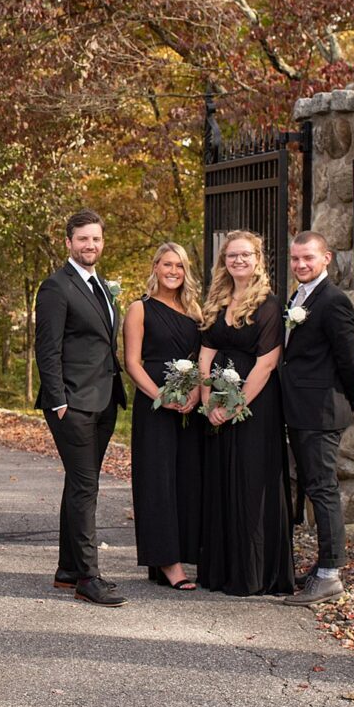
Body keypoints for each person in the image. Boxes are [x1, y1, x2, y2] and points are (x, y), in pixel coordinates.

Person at [33, 209, 128, 607]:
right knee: (86, 485)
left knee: (78, 483)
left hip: (103, 399)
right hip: (71, 403)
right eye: (83, 239)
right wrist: (58, 402)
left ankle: (68, 569)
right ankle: (89, 577)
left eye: (96, 239)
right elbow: (47, 348)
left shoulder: (101, 286)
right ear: (69, 242)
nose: (91, 245)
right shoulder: (56, 286)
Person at [197, 230, 294, 597]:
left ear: (257, 260)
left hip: (256, 408)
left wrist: (235, 406)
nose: (238, 261)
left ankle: (256, 572)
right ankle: (222, 570)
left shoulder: (268, 304)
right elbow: (205, 353)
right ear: (224, 261)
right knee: (222, 482)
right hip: (217, 405)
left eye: (245, 255)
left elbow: (267, 363)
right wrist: (210, 402)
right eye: (232, 256)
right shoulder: (218, 300)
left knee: (252, 484)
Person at [280, 231, 354, 606]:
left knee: (323, 488)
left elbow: (348, 357)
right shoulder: (299, 297)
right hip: (301, 409)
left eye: (308, 258)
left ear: (326, 258)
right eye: (296, 259)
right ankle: (321, 567)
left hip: (322, 411)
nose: (300, 265)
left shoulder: (333, 301)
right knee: (314, 487)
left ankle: (330, 573)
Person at [122, 242, 204, 590]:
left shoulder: (195, 311)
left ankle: (182, 551)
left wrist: (196, 393)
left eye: (180, 266)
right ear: (155, 267)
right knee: (157, 481)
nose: (173, 271)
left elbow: (204, 359)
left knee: (187, 479)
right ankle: (167, 562)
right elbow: (132, 363)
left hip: (190, 405)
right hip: (154, 405)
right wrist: (161, 397)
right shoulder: (139, 309)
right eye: (167, 264)